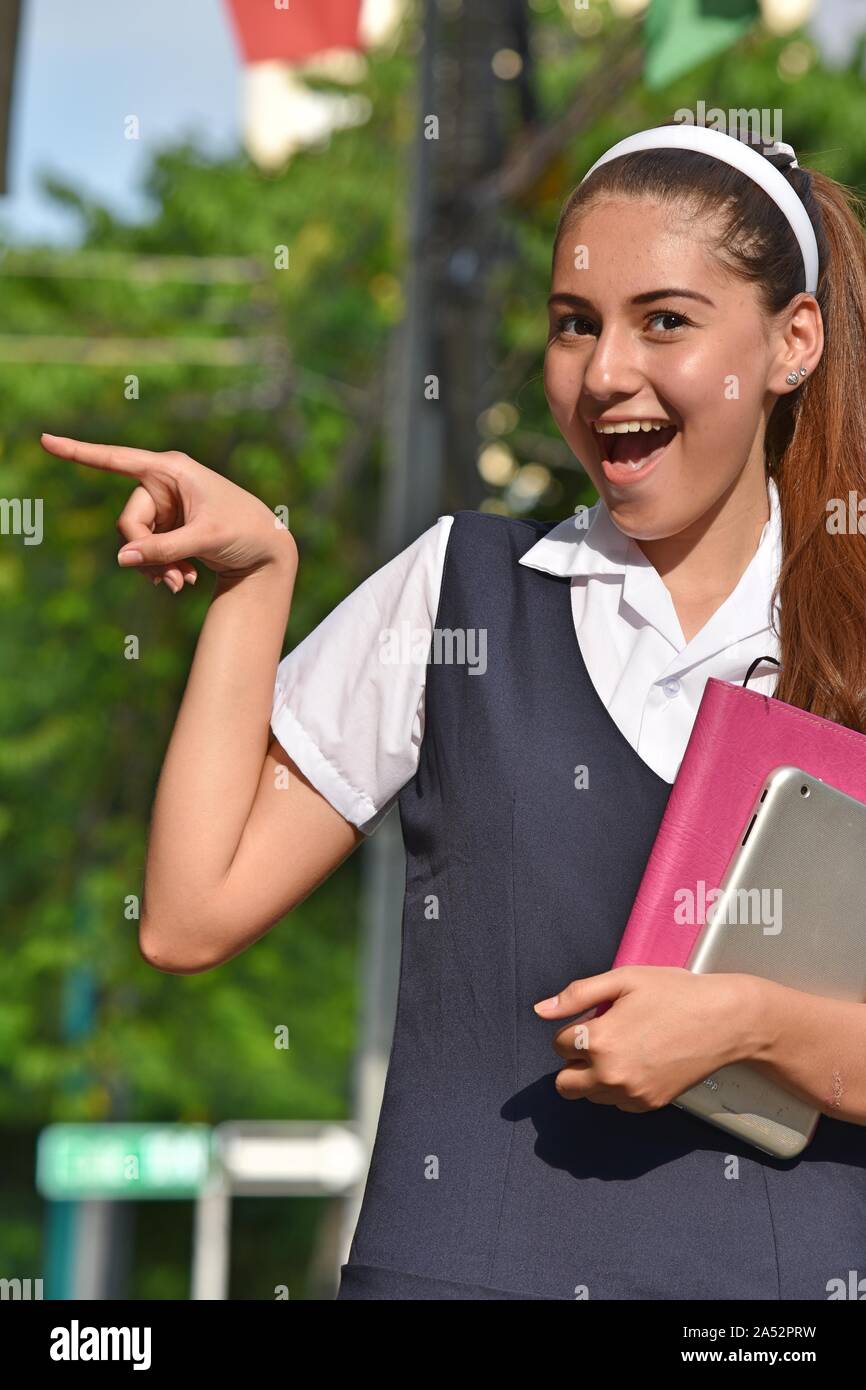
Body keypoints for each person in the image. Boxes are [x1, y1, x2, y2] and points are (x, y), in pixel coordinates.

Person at [41, 121, 866, 1301]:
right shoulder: (453, 585)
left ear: (790, 343)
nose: (605, 371)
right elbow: (186, 916)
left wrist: (743, 1022)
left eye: (664, 321)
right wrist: (253, 585)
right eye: (573, 323)